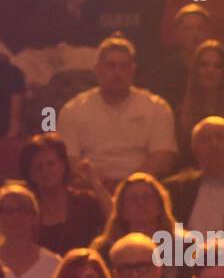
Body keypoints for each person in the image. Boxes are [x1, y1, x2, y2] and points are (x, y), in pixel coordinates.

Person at [58, 36, 179, 187]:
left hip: (142, 188)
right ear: (97, 70)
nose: (117, 73)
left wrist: (127, 186)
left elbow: (163, 158)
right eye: (111, 66)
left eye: (124, 66)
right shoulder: (72, 110)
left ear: (133, 70)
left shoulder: (157, 107)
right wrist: (99, 184)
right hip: (90, 188)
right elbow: (69, 160)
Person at [90, 172, 184, 278]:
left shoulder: (185, 246)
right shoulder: (104, 251)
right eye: (133, 198)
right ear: (121, 209)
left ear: (160, 205)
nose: (140, 203)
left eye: (147, 197)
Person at [20, 134, 110, 256]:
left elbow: (114, 219)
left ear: (63, 165)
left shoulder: (84, 202)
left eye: (51, 164)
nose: (45, 171)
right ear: (30, 174)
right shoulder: (26, 208)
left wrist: (94, 182)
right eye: (38, 167)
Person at [163, 117, 224, 234]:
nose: (214, 144)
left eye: (220, 137)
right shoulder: (173, 189)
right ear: (194, 148)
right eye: (205, 139)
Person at [0, 184, 62, 278]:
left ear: (34, 217)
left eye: (22, 210)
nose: (15, 216)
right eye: (8, 211)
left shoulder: (53, 264)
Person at [175, 41, 224, 161]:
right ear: (195, 70)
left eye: (217, 66)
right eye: (204, 65)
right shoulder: (181, 112)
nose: (210, 70)